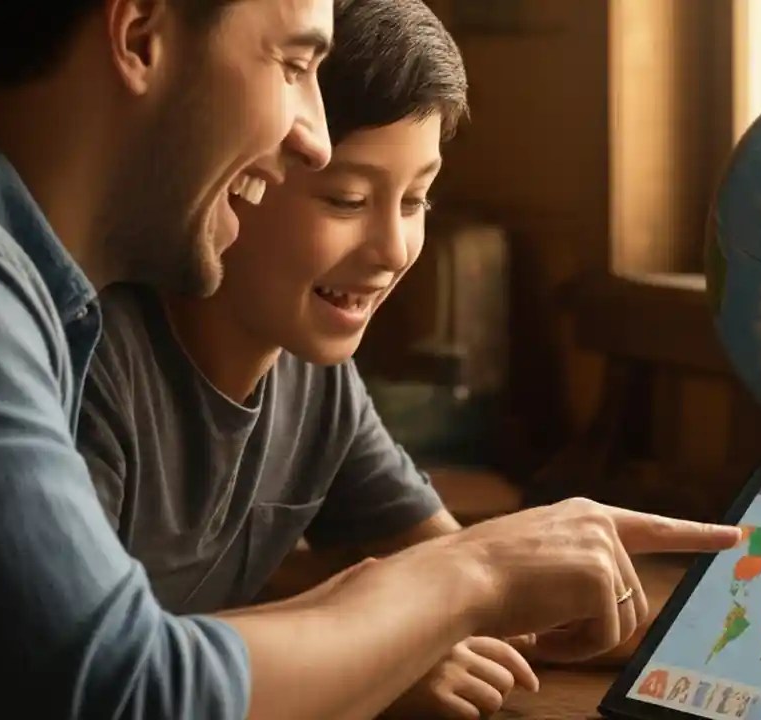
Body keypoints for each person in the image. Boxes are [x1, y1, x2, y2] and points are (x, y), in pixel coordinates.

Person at [0, 0, 742, 717]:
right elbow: (125, 688)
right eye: (294, 64)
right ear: (139, 33)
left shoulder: (7, 276)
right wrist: (464, 578)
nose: (314, 136)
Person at [75, 1, 526, 716]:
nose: (393, 251)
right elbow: (98, 672)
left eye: (416, 200)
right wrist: (363, 659)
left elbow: (453, 570)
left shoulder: (315, 377)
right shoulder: (93, 359)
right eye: (347, 200)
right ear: (240, 170)